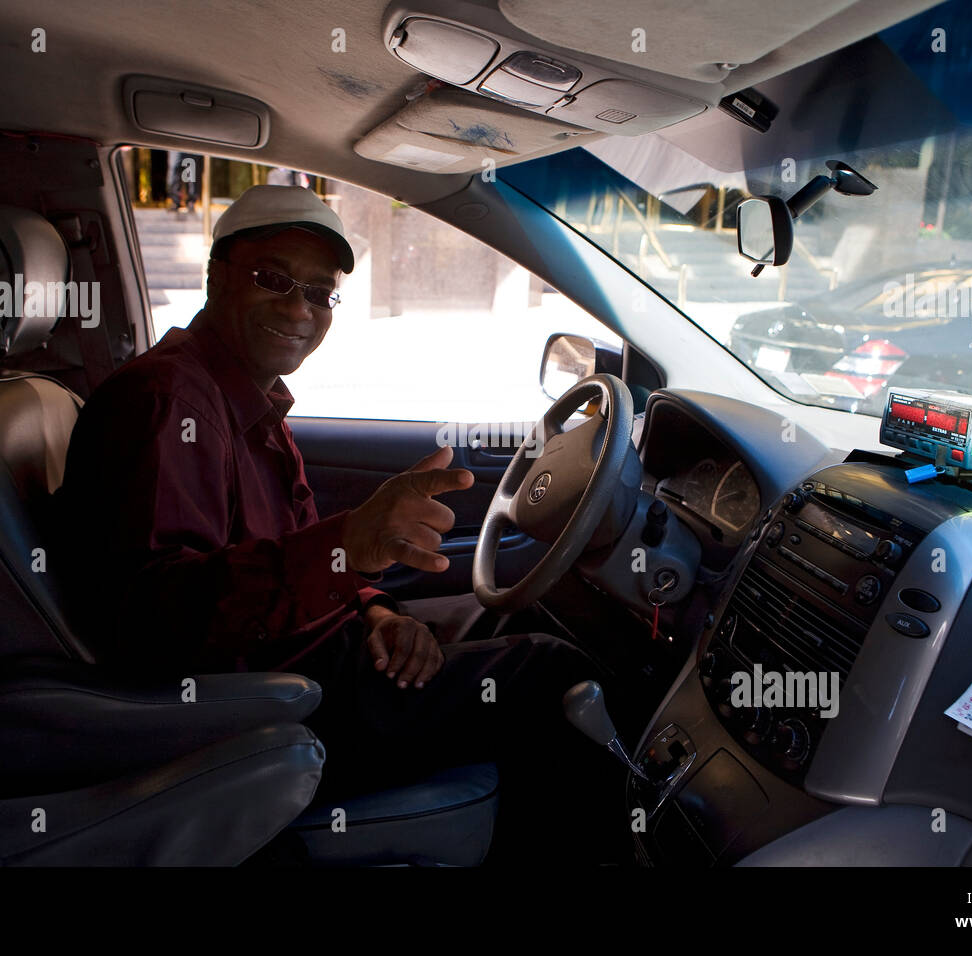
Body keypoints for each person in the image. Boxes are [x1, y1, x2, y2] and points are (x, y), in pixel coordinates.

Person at [56, 185, 628, 863]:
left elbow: (294, 555)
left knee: (521, 617)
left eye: (319, 293)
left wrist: (379, 613)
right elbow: (159, 620)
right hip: (260, 706)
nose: (299, 308)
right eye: (273, 279)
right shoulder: (167, 402)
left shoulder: (242, 396)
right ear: (217, 276)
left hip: (310, 657)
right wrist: (346, 547)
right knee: (548, 670)